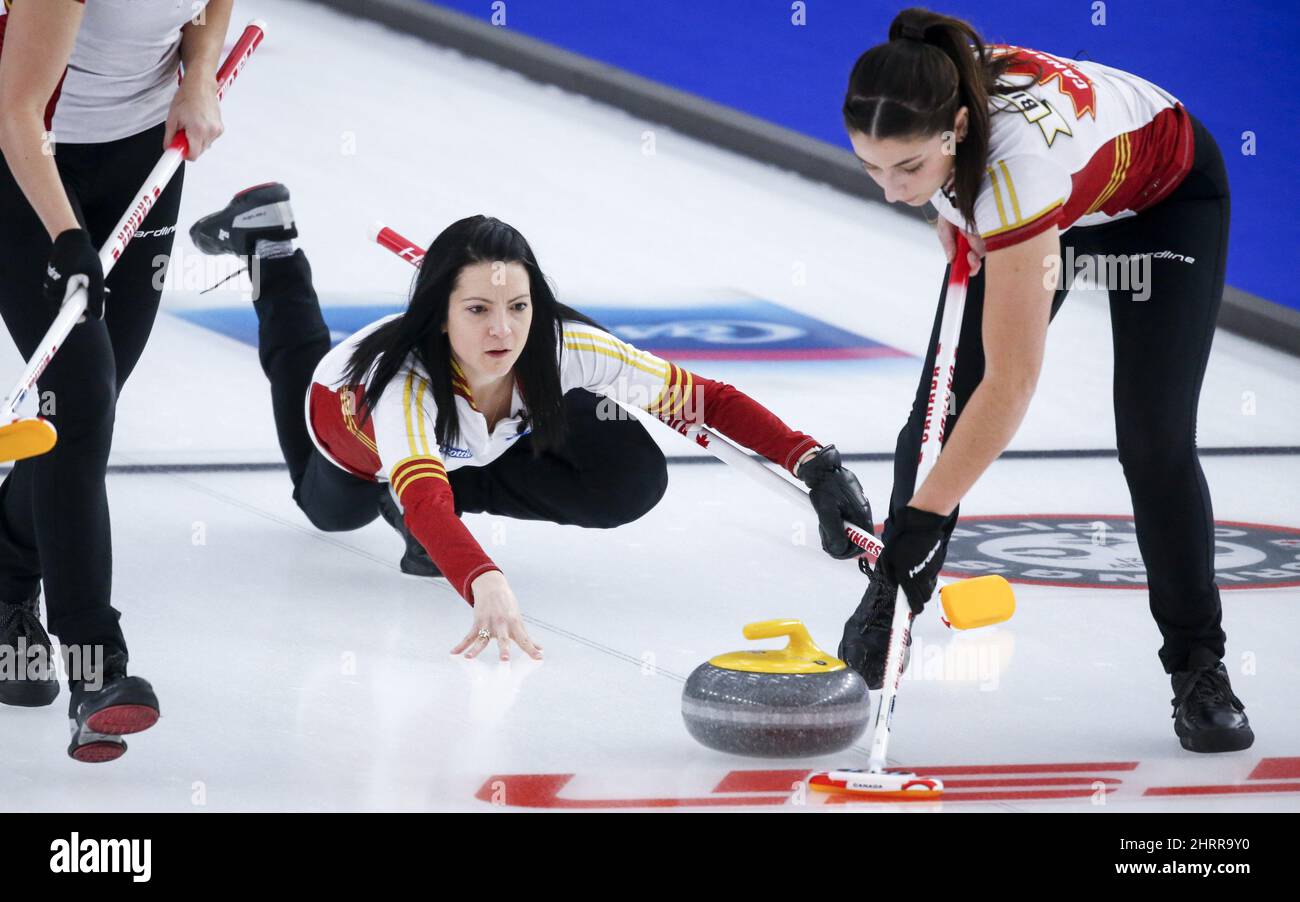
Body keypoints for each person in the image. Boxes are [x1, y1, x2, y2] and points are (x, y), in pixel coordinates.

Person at [190, 183, 875, 661]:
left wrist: (811, 461)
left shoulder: (556, 343)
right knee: (330, 510)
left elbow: (704, 400)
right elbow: (425, 500)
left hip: (478, 443)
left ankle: (460, 481)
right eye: (479, 311)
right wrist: (484, 577)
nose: (504, 329)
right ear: (441, 311)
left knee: (627, 475)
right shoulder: (403, 391)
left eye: (518, 305)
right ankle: (273, 249)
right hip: (343, 419)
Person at [835, 7, 1251, 753]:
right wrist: (944, 207)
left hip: (1162, 206)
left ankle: (1199, 666)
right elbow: (955, 392)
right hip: (1051, 194)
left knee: (1154, 439)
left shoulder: (1011, 173)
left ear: (956, 130)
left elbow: (1013, 385)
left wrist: (918, 525)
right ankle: (890, 601)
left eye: (906, 170)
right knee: (940, 400)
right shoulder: (928, 108)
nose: (891, 192)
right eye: (870, 167)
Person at [0, 0, 232, 762]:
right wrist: (66, 237)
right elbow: (20, 109)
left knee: (83, 411)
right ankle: (98, 671)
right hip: (31, 162)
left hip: (143, 154)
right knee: (85, 393)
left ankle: (4, 592)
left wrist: (199, 75)